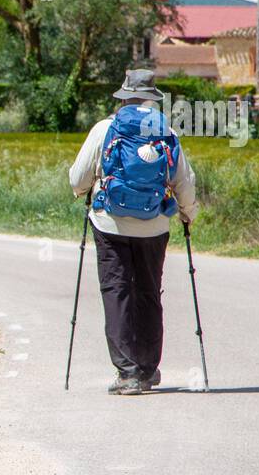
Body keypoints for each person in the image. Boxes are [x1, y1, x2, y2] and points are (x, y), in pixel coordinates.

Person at [69, 69, 198, 395]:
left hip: (109, 223)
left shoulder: (104, 129)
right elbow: (184, 181)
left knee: (118, 292)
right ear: (153, 99)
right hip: (155, 226)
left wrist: (87, 189)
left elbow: (77, 180)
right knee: (149, 293)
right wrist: (187, 214)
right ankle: (148, 369)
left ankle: (127, 374)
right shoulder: (166, 131)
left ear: (124, 97)